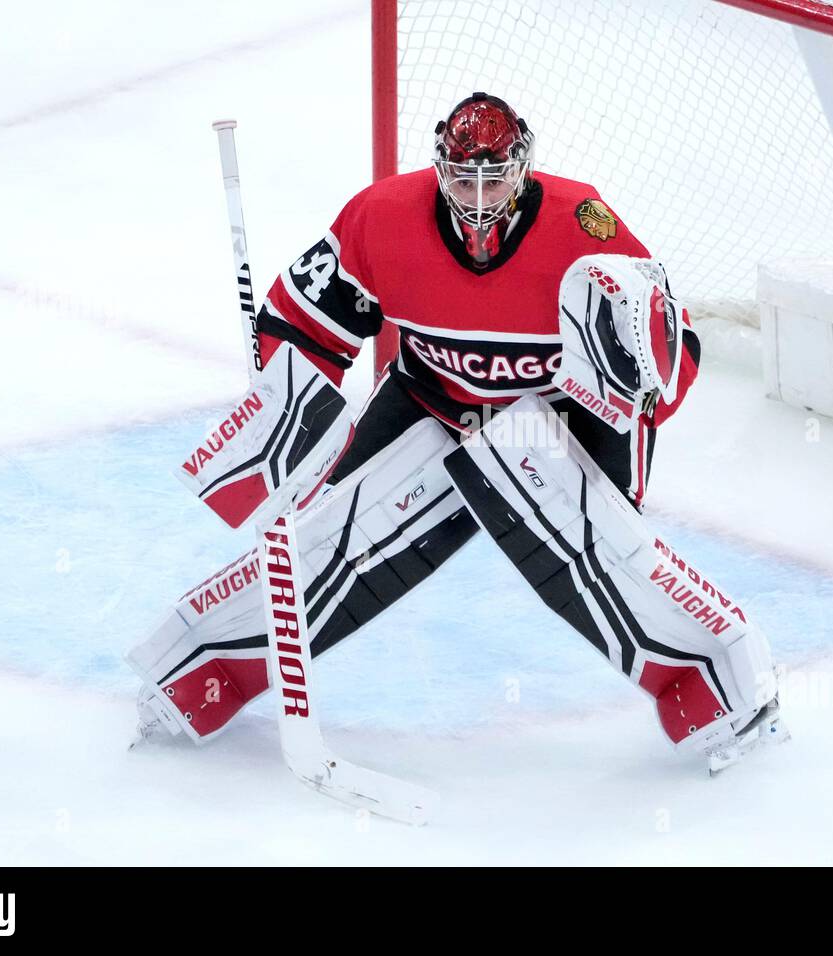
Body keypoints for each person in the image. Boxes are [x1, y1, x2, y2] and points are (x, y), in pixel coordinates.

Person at [127, 93, 784, 769]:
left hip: (552, 418)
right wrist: (281, 403)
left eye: (493, 176)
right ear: (437, 166)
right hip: (430, 397)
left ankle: (727, 688)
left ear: (524, 167)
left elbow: (667, 352)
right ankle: (197, 675)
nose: (476, 194)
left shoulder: (583, 225)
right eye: (461, 176)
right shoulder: (381, 215)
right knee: (327, 535)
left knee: (604, 547)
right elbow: (304, 326)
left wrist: (628, 429)